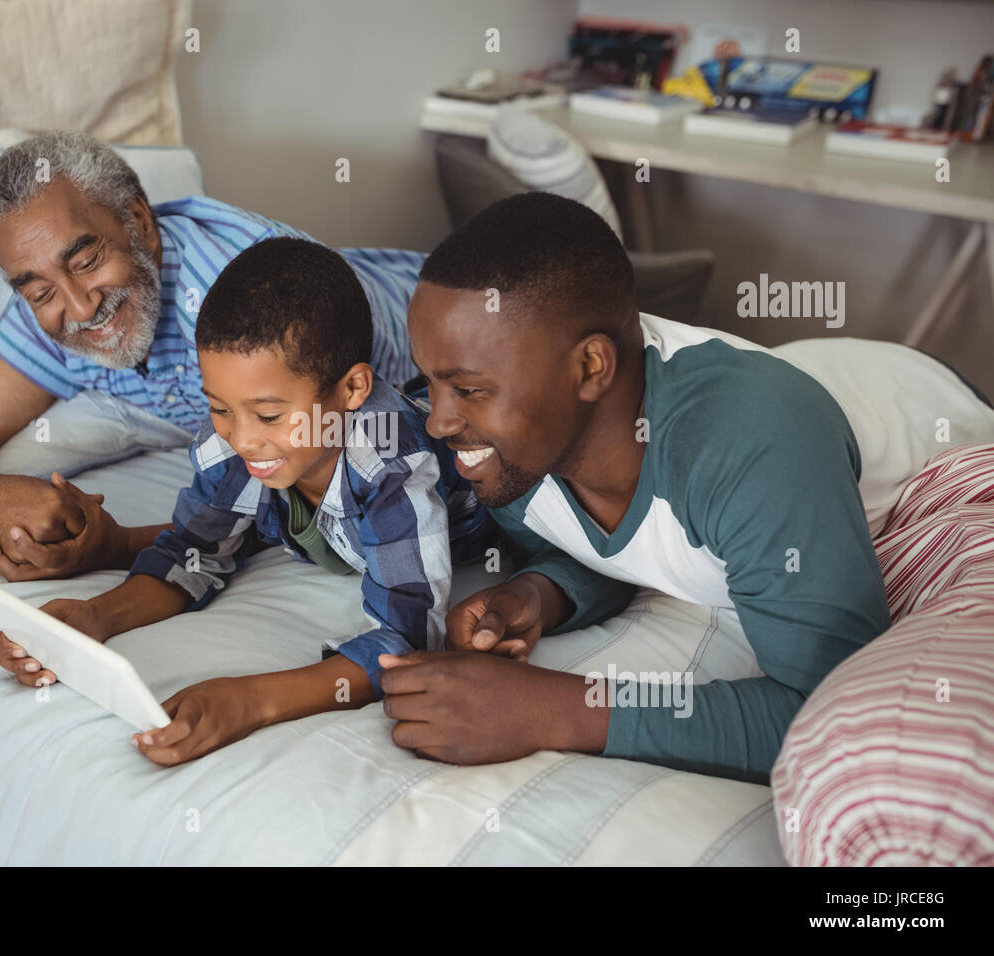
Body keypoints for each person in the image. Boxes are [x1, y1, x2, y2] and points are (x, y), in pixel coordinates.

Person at [381, 190, 994, 783]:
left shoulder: (748, 444)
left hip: (932, 433)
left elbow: (830, 709)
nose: (438, 421)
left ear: (590, 366)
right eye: (431, 383)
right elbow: (616, 542)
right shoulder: (508, 452)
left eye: (469, 389)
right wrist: (539, 595)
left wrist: (550, 708)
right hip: (803, 384)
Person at [0, 237, 492, 765]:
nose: (243, 439)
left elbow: (406, 638)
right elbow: (195, 553)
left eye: (271, 416)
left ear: (351, 391)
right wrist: (94, 619)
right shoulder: (235, 441)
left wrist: (249, 701)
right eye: (218, 408)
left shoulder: (392, 463)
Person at [0, 132, 423, 582]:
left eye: (86, 260)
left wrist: (116, 546)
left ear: (139, 222)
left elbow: (303, 500)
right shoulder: (51, 316)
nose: (80, 307)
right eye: (39, 292)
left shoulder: (249, 302)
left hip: (434, 324)